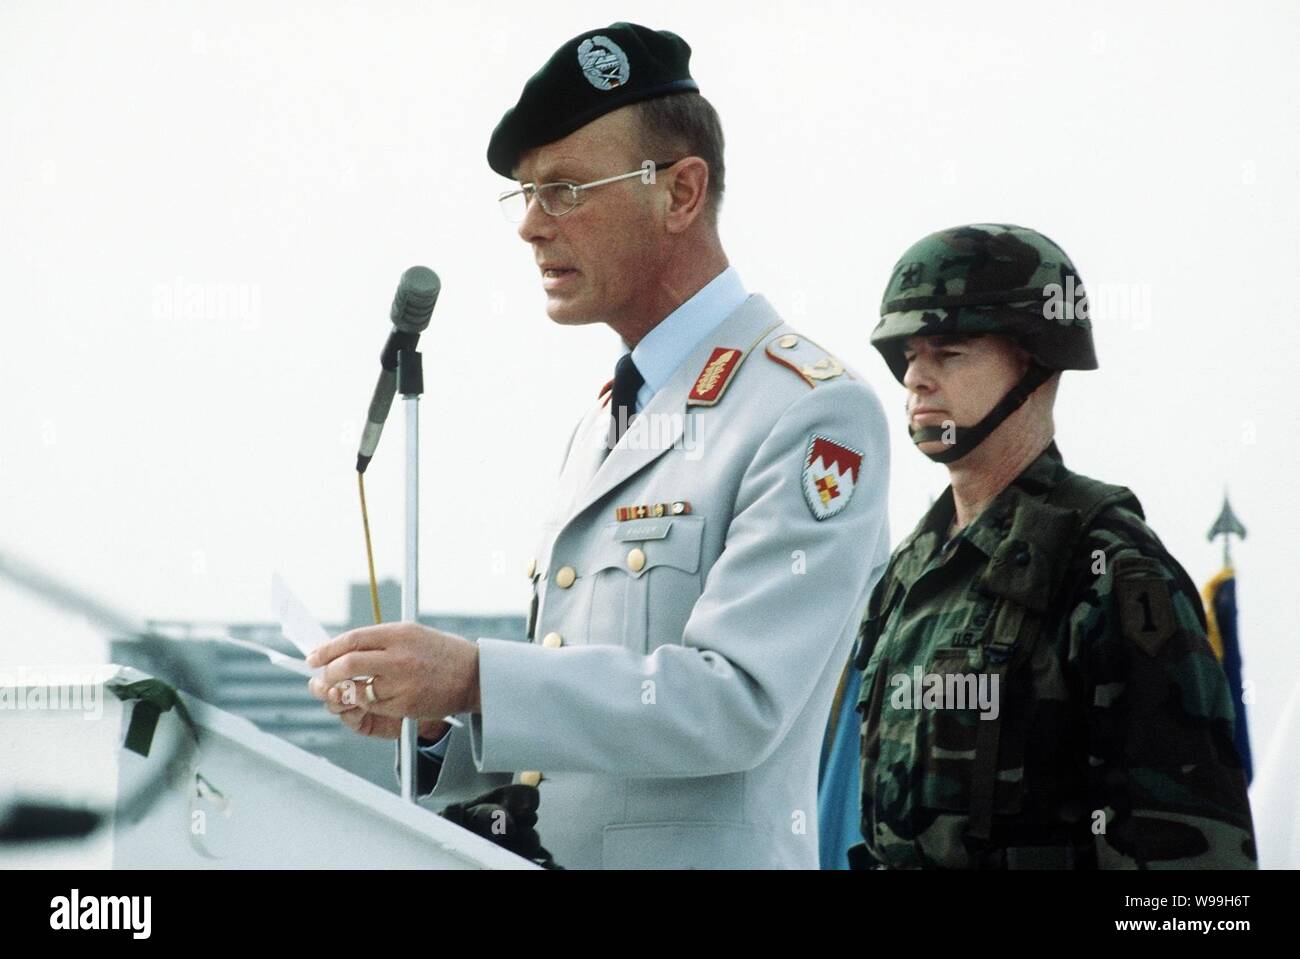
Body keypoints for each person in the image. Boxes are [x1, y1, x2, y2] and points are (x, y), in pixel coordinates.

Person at [306, 21, 891, 869]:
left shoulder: (809, 413)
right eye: (526, 193)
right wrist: (438, 716)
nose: (531, 227)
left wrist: (474, 676)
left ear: (680, 193)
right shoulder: (603, 425)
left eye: (566, 189)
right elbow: (570, 745)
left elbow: (737, 701)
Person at [849, 223, 1256, 869]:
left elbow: (1193, 868)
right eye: (909, 355)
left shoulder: (1110, 570)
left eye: (950, 352)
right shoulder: (910, 571)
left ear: (1035, 361)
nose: (916, 378)